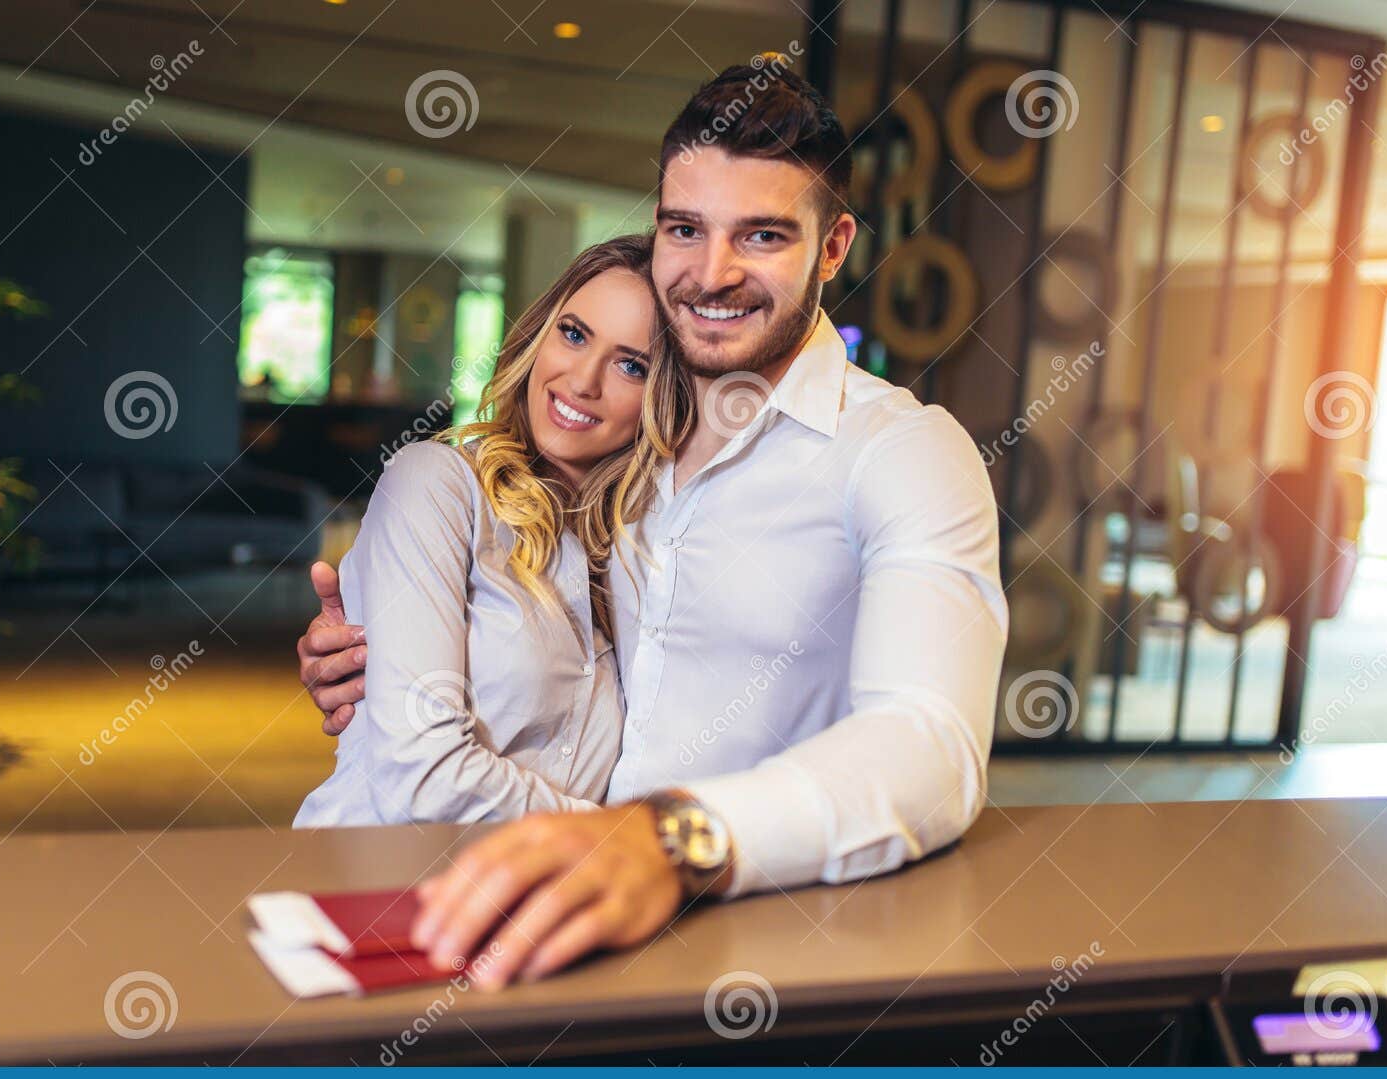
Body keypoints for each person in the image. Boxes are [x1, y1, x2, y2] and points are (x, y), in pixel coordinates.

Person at [298, 62, 1008, 989]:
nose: (712, 273)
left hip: (750, 943)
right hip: (533, 919)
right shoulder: (619, 462)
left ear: (833, 247)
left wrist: (669, 836)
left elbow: (930, 745)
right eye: (685, 228)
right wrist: (370, 637)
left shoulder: (903, 453)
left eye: (761, 234)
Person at [294, 235, 692, 826]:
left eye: (632, 365)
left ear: (666, 396)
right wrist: (613, 840)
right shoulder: (435, 484)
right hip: (381, 890)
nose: (582, 381)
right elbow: (423, 773)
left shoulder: (639, 553)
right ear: (539, 336)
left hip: (541, 906)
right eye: (574, 334)